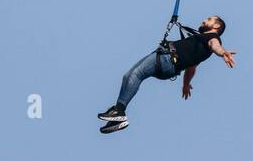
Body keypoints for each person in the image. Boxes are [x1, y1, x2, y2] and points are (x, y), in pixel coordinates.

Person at [98, 16, 235, 133]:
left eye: (209, 19)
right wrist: (186, 85)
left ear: (216, 25)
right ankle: (116, 116)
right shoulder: (201, 42)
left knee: (134, 75)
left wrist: (223, 53)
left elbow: (215, 45)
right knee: (131, 76)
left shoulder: (212, 38)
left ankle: (119, 112)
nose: (204, 20)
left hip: (166, 59)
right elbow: (192, 67)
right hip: (168, 66)